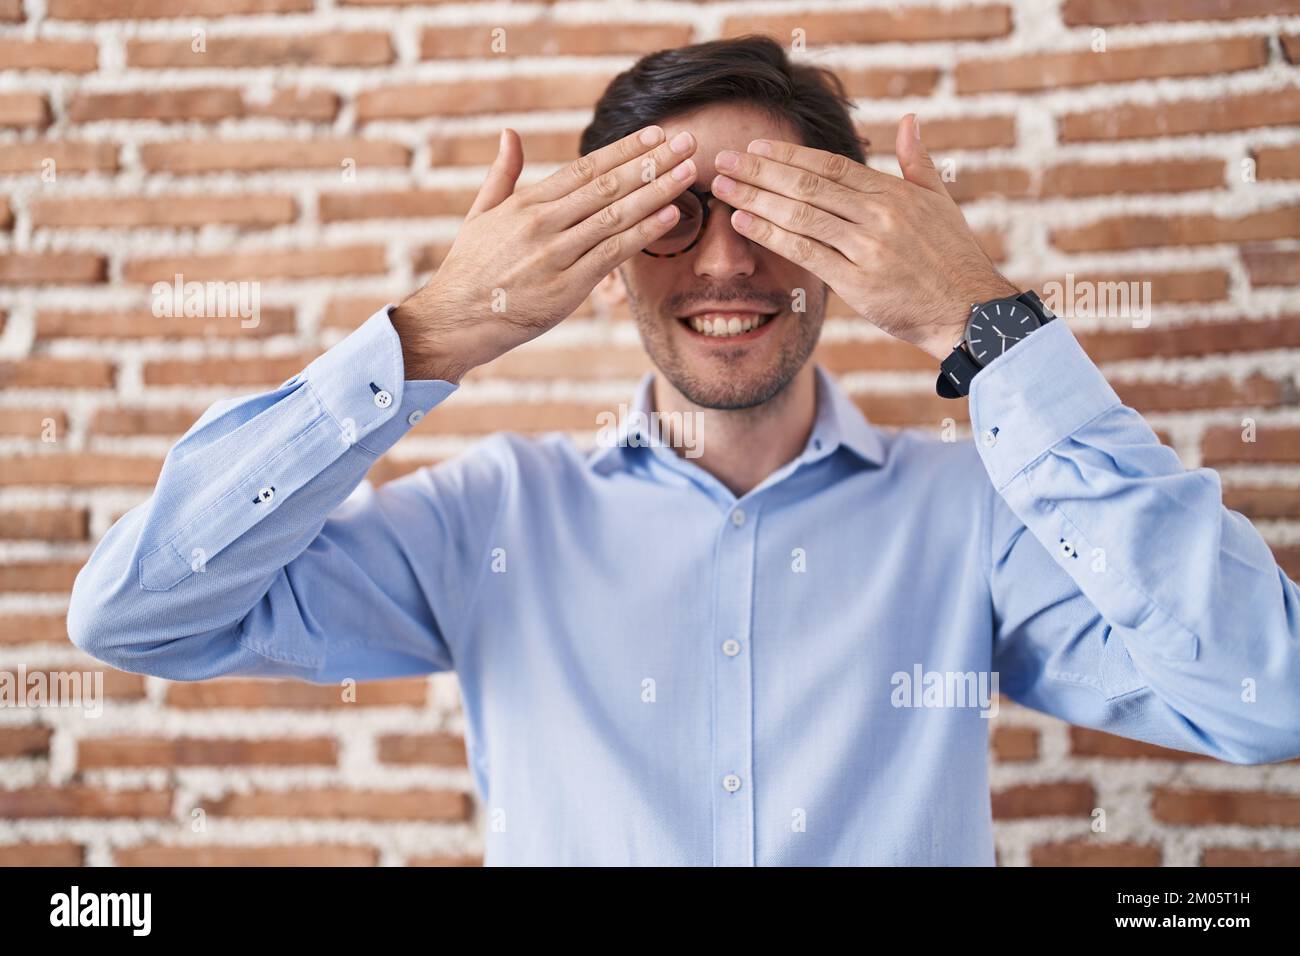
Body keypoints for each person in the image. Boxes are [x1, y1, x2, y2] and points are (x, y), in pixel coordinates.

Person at [68, 36, 1300, 865]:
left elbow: (1265, 697)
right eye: (670, 217)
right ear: (601, 257)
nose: (724, 262)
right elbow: (138, 613)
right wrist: (431, 332)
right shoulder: (494, 515)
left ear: (849, 239)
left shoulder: (971, 515)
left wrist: (987, 330)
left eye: (772, 208)